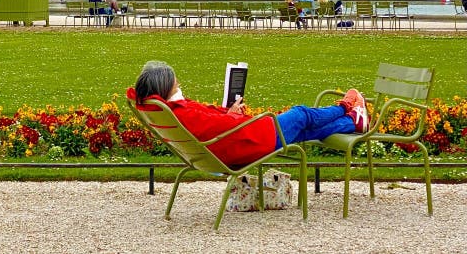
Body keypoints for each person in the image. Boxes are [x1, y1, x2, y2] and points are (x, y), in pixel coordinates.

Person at [130, 61, 368, 168]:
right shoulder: (181, 112)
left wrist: (229, 113)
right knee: (301, 114)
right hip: (252, 140)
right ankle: (347, 107)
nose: (178, 82)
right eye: (174, 81)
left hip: (239, 141)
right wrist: (234, 116)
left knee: (303, 130)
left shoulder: (171, 111)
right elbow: (216, 125)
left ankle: (351, 121)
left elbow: (213, 123)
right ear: (165, 87)